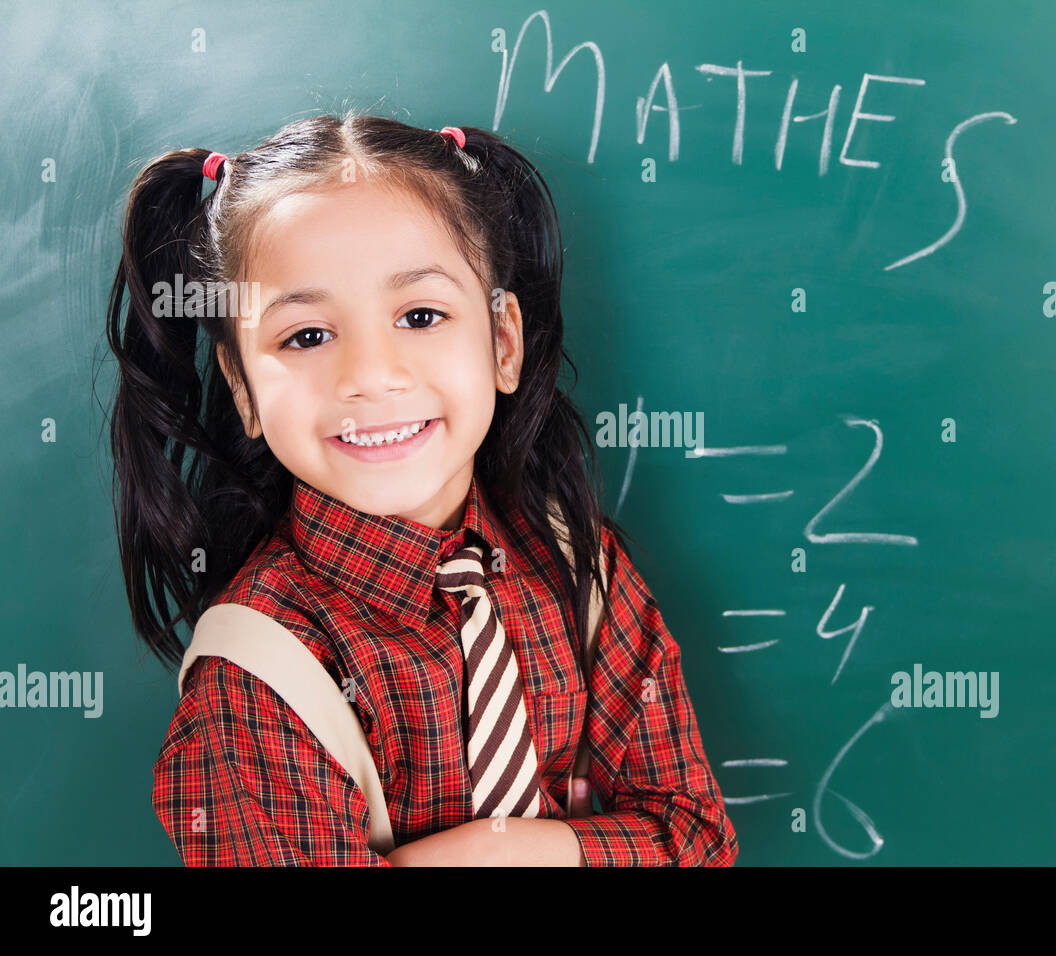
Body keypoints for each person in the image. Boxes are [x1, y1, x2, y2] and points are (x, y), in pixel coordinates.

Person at [105, 112, 739, 866]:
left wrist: (486, 852)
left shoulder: (574, 561)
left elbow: (696, 834)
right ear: (242, 387)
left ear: (502, 342)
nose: (372, 375)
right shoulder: (257, 683)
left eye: (420, 315)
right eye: (306, 335)